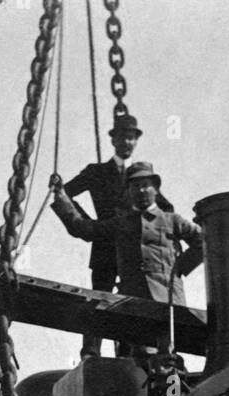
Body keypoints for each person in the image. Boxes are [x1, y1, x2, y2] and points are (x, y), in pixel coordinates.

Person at [51, 161, 203, 322]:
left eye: (146, 185)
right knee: (138, 346)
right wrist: (61, 197)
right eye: (135, 186)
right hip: (132, 302)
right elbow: (84, 229)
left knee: (167, 344)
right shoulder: (121, 223)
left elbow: (204, 241)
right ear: (128, 192)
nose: (141, 190)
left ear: (156, 189)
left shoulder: (172, 220)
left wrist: (178, 269)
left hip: (169, 299)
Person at [56, 112, 146, 358]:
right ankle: (90, 351)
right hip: (105, 245)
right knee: (99, 298)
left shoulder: (142, 176)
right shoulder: (97, 172)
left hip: (132, 250)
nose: (127, 143)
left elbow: (163, 207)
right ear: (113, 140)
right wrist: (88, 224)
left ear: (135, 141)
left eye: (131, 138)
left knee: (130, 302)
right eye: (123, 138)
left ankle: (127, 354)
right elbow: (66, 193)